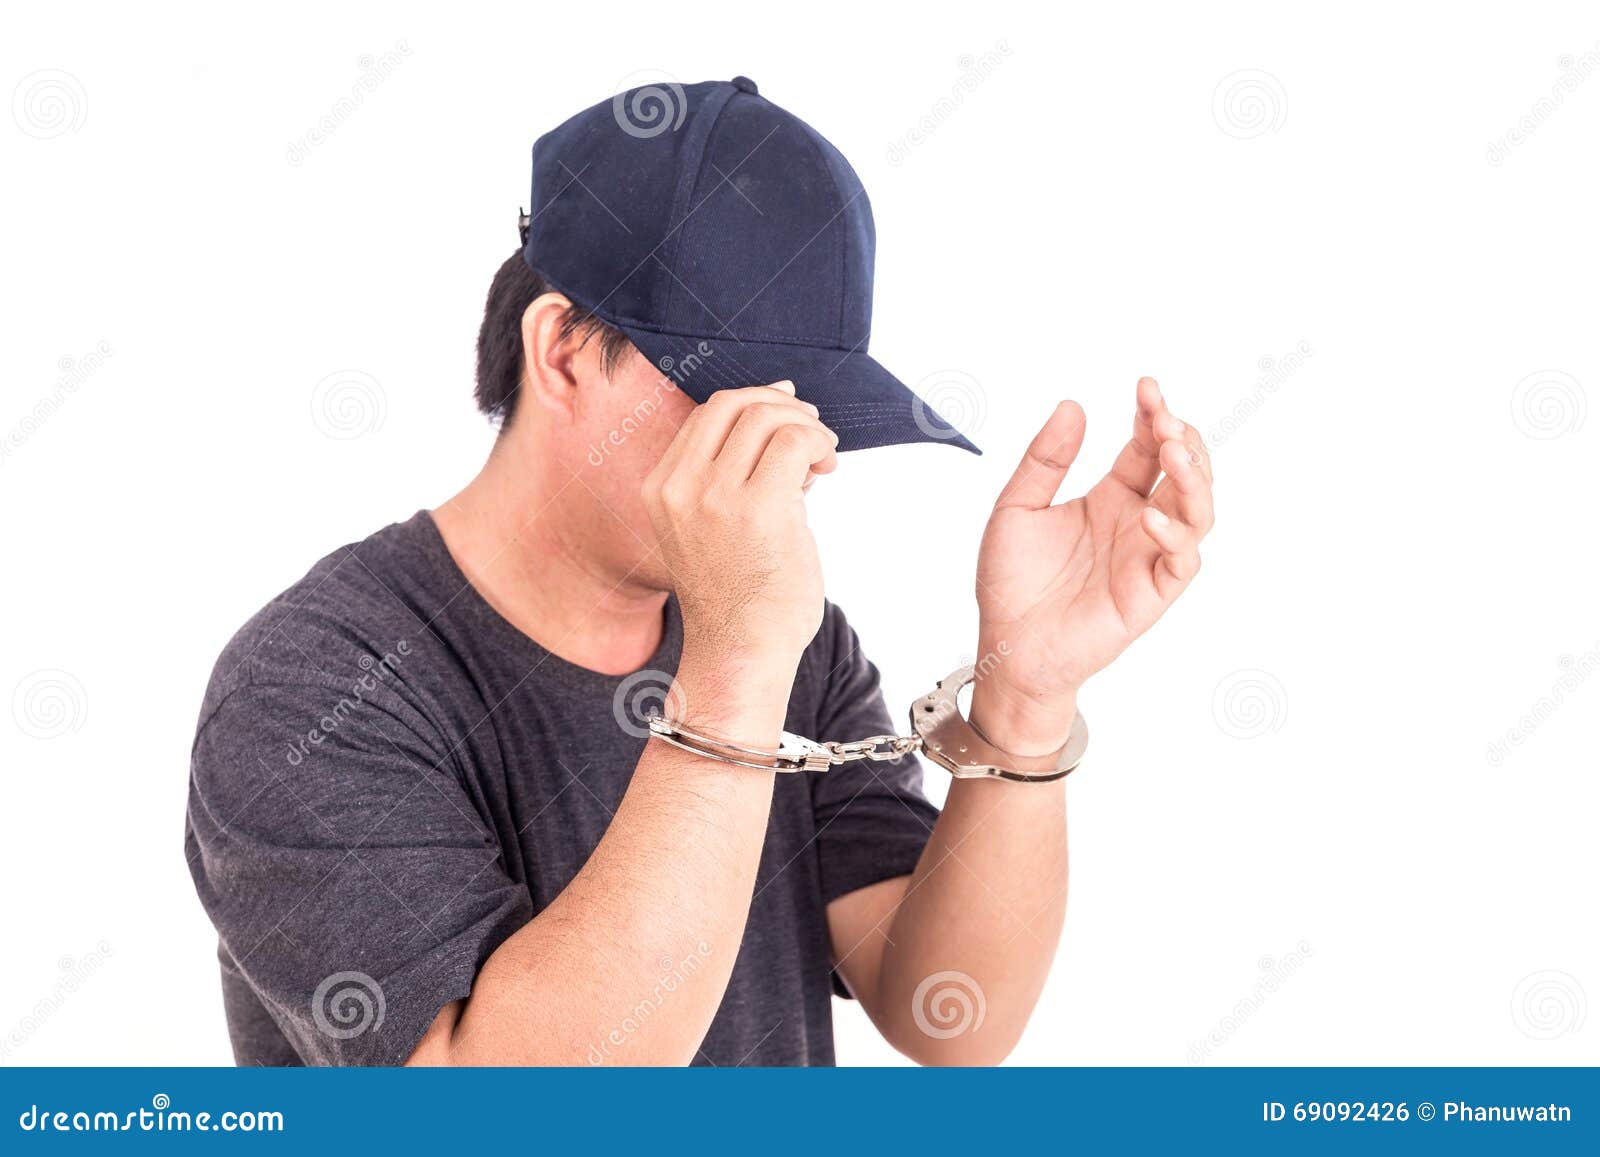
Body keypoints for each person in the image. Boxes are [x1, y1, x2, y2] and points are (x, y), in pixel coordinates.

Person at [184, 76, 1214, 1067]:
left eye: (822, 411)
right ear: (562, 352)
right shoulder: (311, 686)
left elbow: (951, 1014)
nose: (803, 456)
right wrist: (733, 663)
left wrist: (1025, 698)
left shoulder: (791, 642)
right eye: (737, 401)